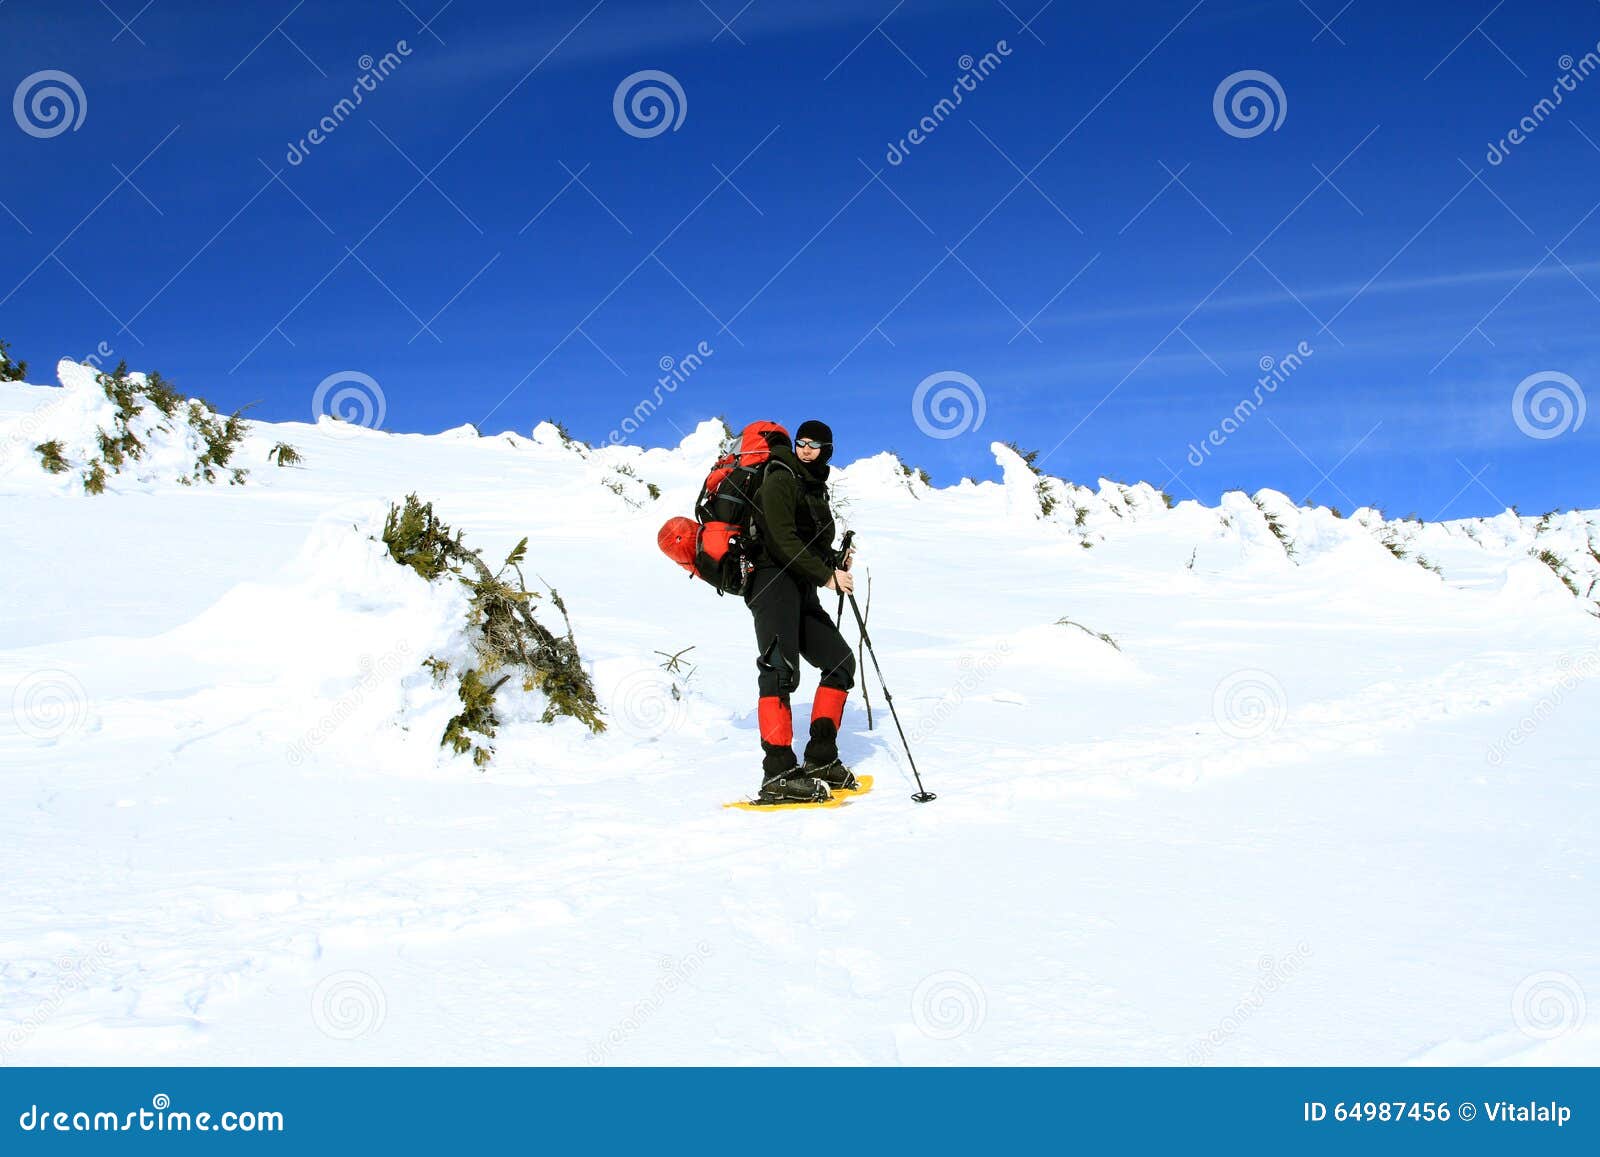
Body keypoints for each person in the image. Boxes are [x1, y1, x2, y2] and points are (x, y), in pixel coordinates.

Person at [745, 419, 859, 803]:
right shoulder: (780, 475)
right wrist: (826, 576)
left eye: (814, 444)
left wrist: (833, 561)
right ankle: (777, 772)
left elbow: (807, 541)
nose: (806, 448)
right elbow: (779, 538)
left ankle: (821, 759)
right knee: (780, 669)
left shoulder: (814, 486)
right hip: (771, 581)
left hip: (800, 585)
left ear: (827, 449)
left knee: (840, 662)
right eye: (801, 442)